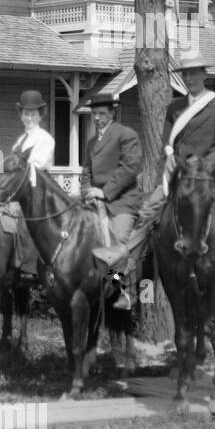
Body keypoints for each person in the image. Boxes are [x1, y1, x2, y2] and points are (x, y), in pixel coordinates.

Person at [94, 54, 215, 281]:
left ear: (204, 74)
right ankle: (123, 265)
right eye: (186, 73)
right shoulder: (175, 107)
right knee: (147, 214)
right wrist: (169, 167)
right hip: (179, 177)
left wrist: (203, 167)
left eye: (194, 73)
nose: (190, 77)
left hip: (213, 177)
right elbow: (167, 146)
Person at [81, 92, 143, 310]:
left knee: (117, 246)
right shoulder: (91, 142)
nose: (97, 118)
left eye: (101, 113)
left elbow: (129, 168)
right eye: (94, 114)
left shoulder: (126, 134)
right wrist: (87, 190)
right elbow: (86, 171)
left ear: (111, 113)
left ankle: (126, 292)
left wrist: (104, 193)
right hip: (95, 201)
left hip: (121, 201)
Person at [3, 90, 55, 282]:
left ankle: (29, 267)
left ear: (40, 115)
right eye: (26, 113)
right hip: (19, 188)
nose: (29, 117)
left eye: (33, 113)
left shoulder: (45, 139)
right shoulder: (20, 140)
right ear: (21, 115)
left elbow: (35, 166)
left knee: (26, 219)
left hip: (38, 188)